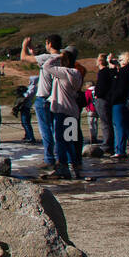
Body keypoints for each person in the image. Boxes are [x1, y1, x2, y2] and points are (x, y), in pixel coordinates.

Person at [20, 34, 66, 174]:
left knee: (45, 129)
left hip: (44, 97)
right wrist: (32, 50)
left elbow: (24, 58)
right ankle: (61, 158)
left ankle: (49, 159)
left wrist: (23, 45)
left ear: (49, 44)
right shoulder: (62, 59)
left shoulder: (47, 58)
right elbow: (37, 59)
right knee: (57, 129)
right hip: (58, 97)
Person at [45, 50, 85, 179]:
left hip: (62, 111)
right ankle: (74, 166)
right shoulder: (77, 73)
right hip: (73, 111)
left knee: (61, 140)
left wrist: (56, 56)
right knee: (71, 140)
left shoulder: (64, 72)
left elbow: (47, 66)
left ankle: (63, 166)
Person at [93, 55, 115, 153]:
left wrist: (98, 94)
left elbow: (103, 86)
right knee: (106, 122)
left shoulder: (103, 72)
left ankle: (107, 144)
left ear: (101, 61)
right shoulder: (106, 72)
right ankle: (109, 143)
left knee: (105, 122)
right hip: (103, 98)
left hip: (102, 99)